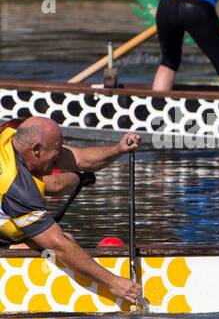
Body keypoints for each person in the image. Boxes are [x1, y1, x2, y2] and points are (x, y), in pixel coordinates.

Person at [0, 117, 143, 306]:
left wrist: (118, 149)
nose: (60, 155)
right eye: (58, 149)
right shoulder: (15, 187)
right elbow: (58, 245)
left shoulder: (9, 137)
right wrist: (113, 282)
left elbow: (81, 159)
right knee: (63, 242)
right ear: (36, 149)